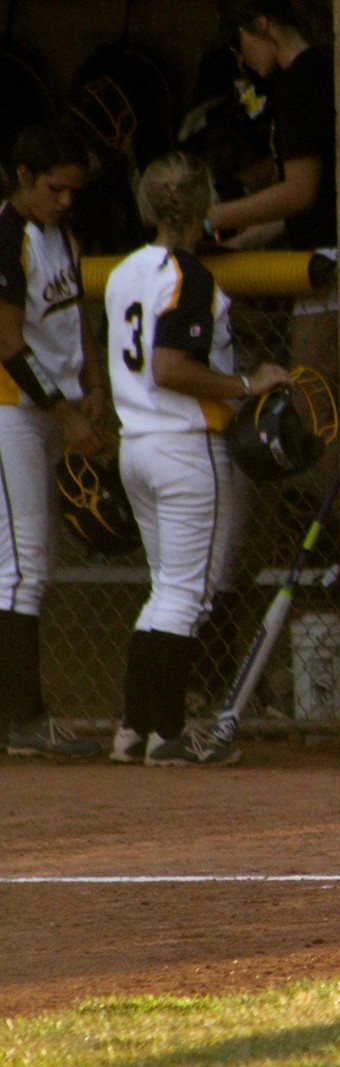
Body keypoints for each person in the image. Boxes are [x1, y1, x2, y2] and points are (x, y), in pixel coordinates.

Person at [106, 151, 294, 766]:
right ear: (202, 207)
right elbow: (171, 367)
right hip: (185, 446)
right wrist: (247, 387)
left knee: (167, 590)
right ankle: (167, 735)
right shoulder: (189, 274)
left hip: (136, 444)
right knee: (189, 595)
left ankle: (134, 729)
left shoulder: (124, 269)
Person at [0, 122, 108, 759]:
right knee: (22, 568)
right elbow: (9, 343)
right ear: (22, 179)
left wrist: (93, 384)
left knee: (29, 566)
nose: (65, 199)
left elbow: (76, 318)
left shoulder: (61, 232)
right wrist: (69, 418)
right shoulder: (8, 234)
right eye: (53, 188)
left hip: (52, 403)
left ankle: (24, 719)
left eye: (71, 189)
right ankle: (24, 720)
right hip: (14, 410)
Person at [207, 0, 338, 392]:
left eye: (240, 40)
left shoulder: (301, 81)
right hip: (315, 252)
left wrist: (210, 216)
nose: (241, 55)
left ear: (262, 24)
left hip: (325, 261)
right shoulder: (309, 73)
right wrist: (243, 242)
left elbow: (300, 193)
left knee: (311, 403)